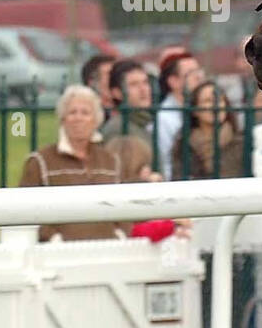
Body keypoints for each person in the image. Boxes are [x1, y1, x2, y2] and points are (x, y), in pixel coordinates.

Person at [17, 85, 186, 242]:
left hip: (108, 252)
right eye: (72, 112)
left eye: (85, 112)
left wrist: (120, 234)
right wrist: (54, 239)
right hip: (60, 255)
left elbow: (123, 208)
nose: (78, 118)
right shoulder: (40, 161)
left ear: (96, 120)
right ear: (63, 119)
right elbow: (25, 212)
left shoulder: (110, 161)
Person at [178, 80, 246, 179]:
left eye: (220, 100)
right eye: (208, 101)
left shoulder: (241, 142)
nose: (216, 104)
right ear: (195, 111)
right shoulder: (183, 145)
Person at [104, 59, 157, 182]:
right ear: (117, 93)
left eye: (145, 82)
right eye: (134, 84)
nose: (143, 89)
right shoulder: (118, 128)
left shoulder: (143, 123)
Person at [155, 50, 203, 178]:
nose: (199, 77)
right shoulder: (163, 119)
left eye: (198, 71)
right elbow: (166, 163)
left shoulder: (201, 110)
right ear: (173, 81)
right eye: (191, 73)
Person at [80, 53, 115, 122]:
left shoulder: (129, 112)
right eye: (110, 74)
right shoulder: (84, 119)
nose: (116, 78)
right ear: (92, 82)